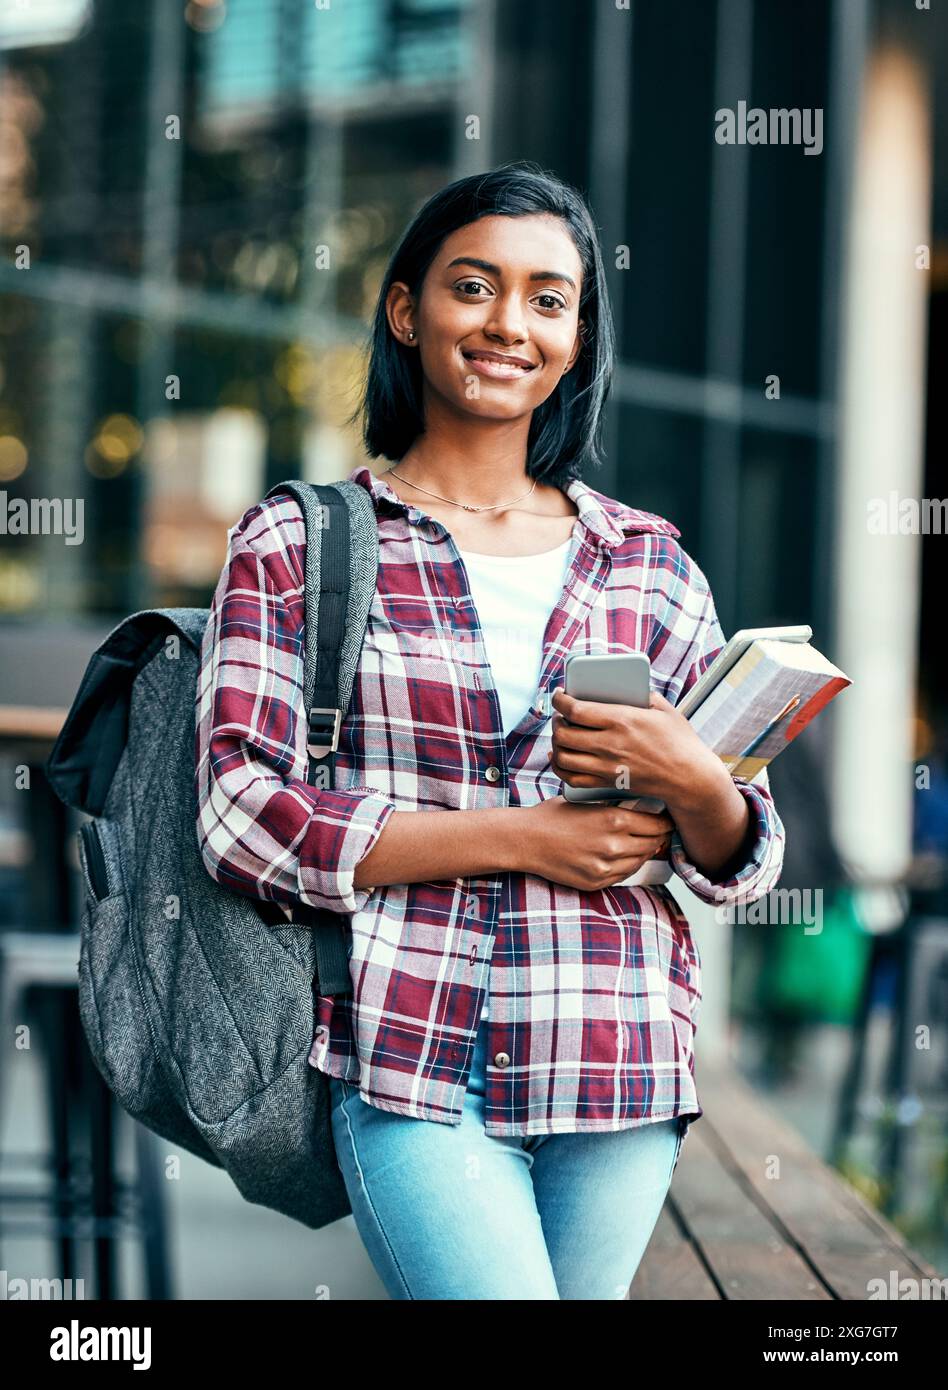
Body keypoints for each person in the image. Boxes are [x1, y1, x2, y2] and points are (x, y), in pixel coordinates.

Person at [195, 161, 785, 1300]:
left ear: (576, 337)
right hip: (412, 1055)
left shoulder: (648, 563)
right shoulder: (299, 544)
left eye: (549, 299)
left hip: (618, 1055)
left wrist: (696, 781)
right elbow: (241, 816)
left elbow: (740, 853)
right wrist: (523, 837)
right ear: (408, 312)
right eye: (475, 287)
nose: (510, 323)